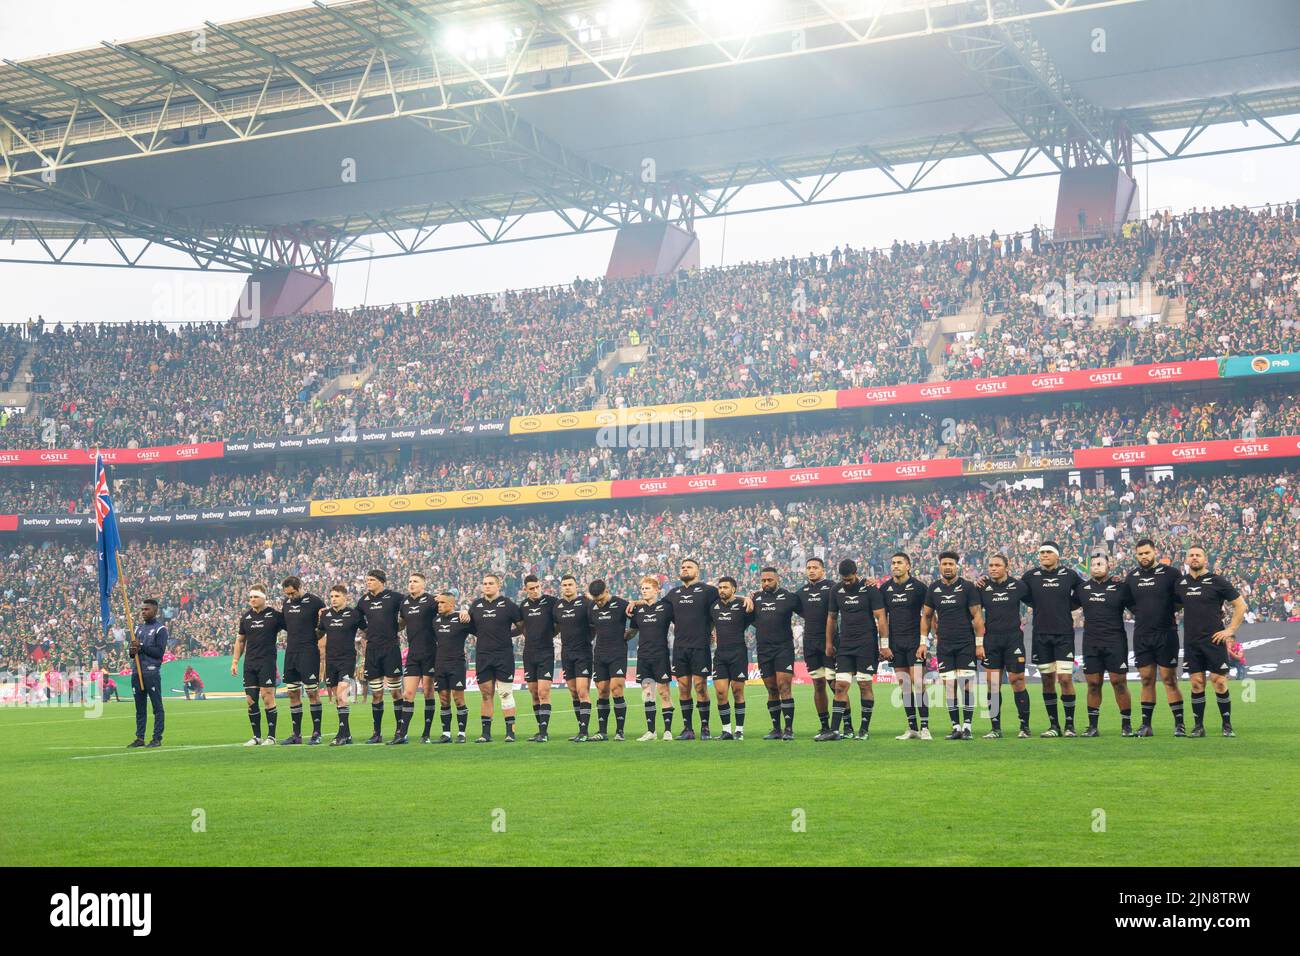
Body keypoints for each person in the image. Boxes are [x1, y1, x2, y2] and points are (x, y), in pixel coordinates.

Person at [1176, 546, 1247, 738]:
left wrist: (1230, 630)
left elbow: (1241, 605)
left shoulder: (1217, 581)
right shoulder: (1181, 583)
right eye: (1191, 555)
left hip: (1214, 641)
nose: (1194, 558)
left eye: (1198, 555)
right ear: (1186, 559)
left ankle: (1227, 725)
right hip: (1191, 642)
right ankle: (1198, 727)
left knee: (1219, 682)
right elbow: (1172, 605)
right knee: (1197, 683)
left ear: (1205, 559)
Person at [1122, 539, 1185, 737]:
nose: (1144, 557)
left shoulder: (1171, 574)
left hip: (1166, 634)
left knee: (1169, 679)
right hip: (1142, 635)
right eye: (1140, 554)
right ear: (1136, 555)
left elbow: (1180, 601)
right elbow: (1129, 604)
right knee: (1146, 680)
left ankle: (1180, 725)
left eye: (1147, 553)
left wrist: (1163, 612)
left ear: (1154, 552)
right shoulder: (1131, 577)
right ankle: (1146, 725)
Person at [819, 559, 886, 740]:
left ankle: (863, 730)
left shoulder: (869, 589)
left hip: (866, 644)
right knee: (840, 686)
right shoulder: (836, 590)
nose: (846, 583)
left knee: (864, 685)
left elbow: (880, 617)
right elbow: (832, 618)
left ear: (856, 573)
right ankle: (834, 730)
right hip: (845, 645)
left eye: (849, 579)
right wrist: (828, 643)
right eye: (844, 580)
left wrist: (884, 645)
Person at [1021, 542, 1083, 737]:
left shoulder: (1070, 575)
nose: (1044, 555)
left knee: (1065, 679)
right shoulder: (1031, 576)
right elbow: (1021, 594)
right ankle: (1054, 725)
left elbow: (1084, 592)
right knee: (1047, 680)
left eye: (1048, 552)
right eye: (1042, 553)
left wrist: (1067, 606)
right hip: (1040, 635)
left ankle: (1070, 725)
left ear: (1057, 556)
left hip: (1064, 634)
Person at [922, 551, 985, 740]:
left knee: (966, 684)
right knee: (949, 686)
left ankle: (967, 727)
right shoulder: (933, 589)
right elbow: (927, 616)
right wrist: (926, 640)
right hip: (945, 645)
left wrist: (979, 644)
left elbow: (977, 616)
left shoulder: (967, 587)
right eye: (944, 564)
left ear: (957, 566)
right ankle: (955, 726)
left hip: (965, 642)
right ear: (939, 566)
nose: (947, 567)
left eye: (951, 563)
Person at [1075, 554, 1135, 736]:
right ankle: (1093, 727)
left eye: (1100, 564)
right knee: (1093, 684)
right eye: (1093, 564)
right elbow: (1065, 604)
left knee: (1119, 683)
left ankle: (1126, 726)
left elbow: (1137, 607)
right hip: (1091, 642)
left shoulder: (1120, 587)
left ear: (1109, 566)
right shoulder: (1082, 588)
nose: (1096, 567)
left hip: (1115, 642)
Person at [464, 573, 524, 742]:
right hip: (483, 655)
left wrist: (506, 635)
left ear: (498, 586)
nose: (487, 586)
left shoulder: (508, 605)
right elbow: (470, 626)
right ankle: (485, 734)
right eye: (484, 583)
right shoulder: (476, 606)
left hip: (503, 655)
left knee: (505, 693)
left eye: (491, 583)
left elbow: (521, 627)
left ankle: (510, 732)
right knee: (486, 694)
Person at [664, 559, 719, 740]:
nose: (685, 569)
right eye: (682, 567)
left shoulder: (709, 591)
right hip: (680, 647)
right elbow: (658, 608)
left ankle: (705, 728)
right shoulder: (673, 593)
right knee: (683, 688)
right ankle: (688, 728)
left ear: (697, 571)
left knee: (700, 687)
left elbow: (725, 601)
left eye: (689, 567)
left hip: (700, 646)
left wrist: (745, 598)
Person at [977, 554, 1031, 738]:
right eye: (990, 565)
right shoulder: (983, 587)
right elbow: (976, 614)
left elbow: (1036, 600)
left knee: (1017, 681)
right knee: (993, 685)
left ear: (1006, 567)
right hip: (991, 640)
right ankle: (995, 728)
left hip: (1013, 639)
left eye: (997, 565)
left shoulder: (1018, 586)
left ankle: (1024, 727)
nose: (993, 568)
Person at [880, 552, 930, 739]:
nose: (895, 566)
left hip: (915, 642)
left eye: (899, 563)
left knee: (919, 684)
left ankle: (925, 727)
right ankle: (912, 728)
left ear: (908, 566)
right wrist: (885, 644)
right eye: (893, 563)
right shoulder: (885, 589)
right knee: (905, 686)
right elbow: (882, 617)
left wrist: (924, 642)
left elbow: (927, 615)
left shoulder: (919, 588)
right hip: (896, 643)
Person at [233, 584, 285, 746]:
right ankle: (256, 737)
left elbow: (293, 627)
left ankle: (271, 736)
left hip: (267, 662)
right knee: (250, 700)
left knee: (267, 697)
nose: (252, 600)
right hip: (250, 663)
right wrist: (235, 661)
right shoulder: (246, 617)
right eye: (250, 597)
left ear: (263, 597)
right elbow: (240, 640)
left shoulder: (275, 615)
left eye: (255, 597)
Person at [752, 567, 800, 740]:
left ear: (777, 580)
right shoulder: (755, 598)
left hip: (783, 649)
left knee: (784, 687)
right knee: (771, 689)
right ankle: (776, 729)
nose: (766, 583)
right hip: (763, 650)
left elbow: (809, 612)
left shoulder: (789, 597)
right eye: (763, 580)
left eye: (769, 580)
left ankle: (788, 729)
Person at [357, 570, 404, 744]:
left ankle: (400, 731)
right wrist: (367, 630)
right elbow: (357, 617)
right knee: (376, 694)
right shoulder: (364, 600)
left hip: (391, 648)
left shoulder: (395, 597)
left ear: (382, 582)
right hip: (372, 650)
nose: (368, 582)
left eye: (372, 580)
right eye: (367, 579)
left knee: (395, 692)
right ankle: (377, 733)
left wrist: (400, 626)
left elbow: (408, 611)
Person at [278, 576, 326, 745]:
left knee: (313, 692)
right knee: (292, 693)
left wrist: (317, 642)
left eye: (292, 593)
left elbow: (323, 626)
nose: (290, 597)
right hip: (291, 652)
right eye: (287, 594)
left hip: (309, 651)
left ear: (300, 587)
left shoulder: (315, 602)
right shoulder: (286, 603)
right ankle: (296, 735)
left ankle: (316, 733)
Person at [628, 575, 675, 741]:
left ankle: (668, 731)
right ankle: (651, 731)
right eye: (642, 588)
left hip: (660, 654)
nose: (644, 591)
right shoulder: (638, 610)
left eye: (647, 588)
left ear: (656, 590)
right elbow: (632, 631)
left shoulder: (666, 607)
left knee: (663, 692)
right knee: (648, 693)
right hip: (644, 656)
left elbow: (680, 622)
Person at [795, 557, 836, 737]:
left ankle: (848, 726)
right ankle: (825, 726)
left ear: (823, 570)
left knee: (835, 685)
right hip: (810, 643)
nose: (811, 570)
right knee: (818, 685)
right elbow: (801, 611)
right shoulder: (801, 592)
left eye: (815, 567)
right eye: (809, 568)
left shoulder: (833, 587)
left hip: (831, 642)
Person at [318, 585, 364, 745]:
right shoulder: (325, 615)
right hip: (331, 661)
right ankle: (347, 734)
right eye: (331, 596)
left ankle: (341, 735)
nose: (333, 599)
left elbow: (366, 631)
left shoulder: (354, 614)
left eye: (336, 596)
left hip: (347, 659)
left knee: (341, 695)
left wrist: (364, 652)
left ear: (345, 597)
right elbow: (319, 633)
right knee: (338, 699)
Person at [395, 572, 437, 744]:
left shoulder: (431, 601)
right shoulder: (404, 603)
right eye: (410, 581)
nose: (411, 584)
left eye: (415, 581)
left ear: (423, 585)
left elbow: (446, 609)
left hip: (430, 652)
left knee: (428, 692)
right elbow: (402, 623)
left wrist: (462, 611)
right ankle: (402, 734)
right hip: (413, 653)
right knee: (408, 693)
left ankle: (426, 734)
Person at [588, 579, 631, 741]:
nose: (598, 603)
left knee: (616, 689)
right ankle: (602, 731)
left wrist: (630, 634)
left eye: (601, 599)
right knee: (602, 691)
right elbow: (590, 628)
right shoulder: (591, 607)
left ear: (607, 591)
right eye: (595, 600)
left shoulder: (621, 604)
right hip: (599, 653)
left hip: (618, 652)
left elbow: (637, 618)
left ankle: (620, 731)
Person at [709, 576, 752, 740]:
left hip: (738, 654)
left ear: (734, 589)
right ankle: (726, 730)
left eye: (725, 587)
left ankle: (739, 730)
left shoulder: (743, 605)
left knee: (737, 691)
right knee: (720, 693)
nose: (722, 590)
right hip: (720, 654)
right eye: (720, 587)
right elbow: (709, 624)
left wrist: (746, 597)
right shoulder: (713, 606)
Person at [520, 574, 560, 742]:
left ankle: (544, 732)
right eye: (531, 589)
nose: (535, 591)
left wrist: (549, 635)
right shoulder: (523, 606)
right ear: (525, 589)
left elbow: (559, 624)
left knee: (544, 692)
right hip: (529, 653)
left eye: (537, 587)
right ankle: (540, 730)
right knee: (534, 693)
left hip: (546, 652)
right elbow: (521, 627)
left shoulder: (551, 602)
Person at [554, 574, 594, 741]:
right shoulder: (557, 606)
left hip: (583, 653)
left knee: (582, 691)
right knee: (573, 692)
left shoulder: (586, 604)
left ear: (576, 586)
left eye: (570, 584)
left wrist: (586, 640)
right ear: (561, 587)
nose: (567, 587)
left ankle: (584, 732)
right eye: (564, 585)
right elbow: (556, 626)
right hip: (566, 653)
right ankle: (580, 729)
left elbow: (594, 626)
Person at [432, 592, 473, 743]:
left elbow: (480, 630)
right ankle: (446, 734)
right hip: (440, 664)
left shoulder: (462, 619)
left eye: (443, 603)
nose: (439, 605)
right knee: (443, 700)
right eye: (439, 603)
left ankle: (462, 733)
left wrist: (465, 611)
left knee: (458, 699)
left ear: (451, 604)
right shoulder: (435, 620)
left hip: (456, 664)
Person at [127, 599, 167, 749]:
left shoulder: (160, 629)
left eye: (146, 609)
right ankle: (139, 737)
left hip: (151, 673)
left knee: (157, 706)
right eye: (142, 609)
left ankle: (156, 738)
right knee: (140, 707)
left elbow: (159, 653)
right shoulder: (137, 629)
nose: (143, 612)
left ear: (155, 611)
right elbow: (132, 654)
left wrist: (141, 646)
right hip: (137, 672)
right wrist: (132, 650)